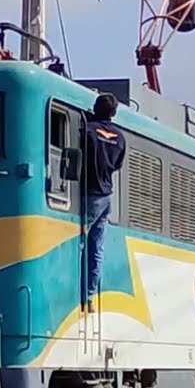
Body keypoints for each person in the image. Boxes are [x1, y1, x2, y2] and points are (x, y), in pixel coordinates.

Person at [82, 93, 127, 312]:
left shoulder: (87, 130)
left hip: (89, 194)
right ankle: (89, 296)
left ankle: (75, 292)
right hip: (106, 195)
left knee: (77, 243)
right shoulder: (120, 137)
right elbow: (117, 164)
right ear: (114, 113)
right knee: (97, 249)